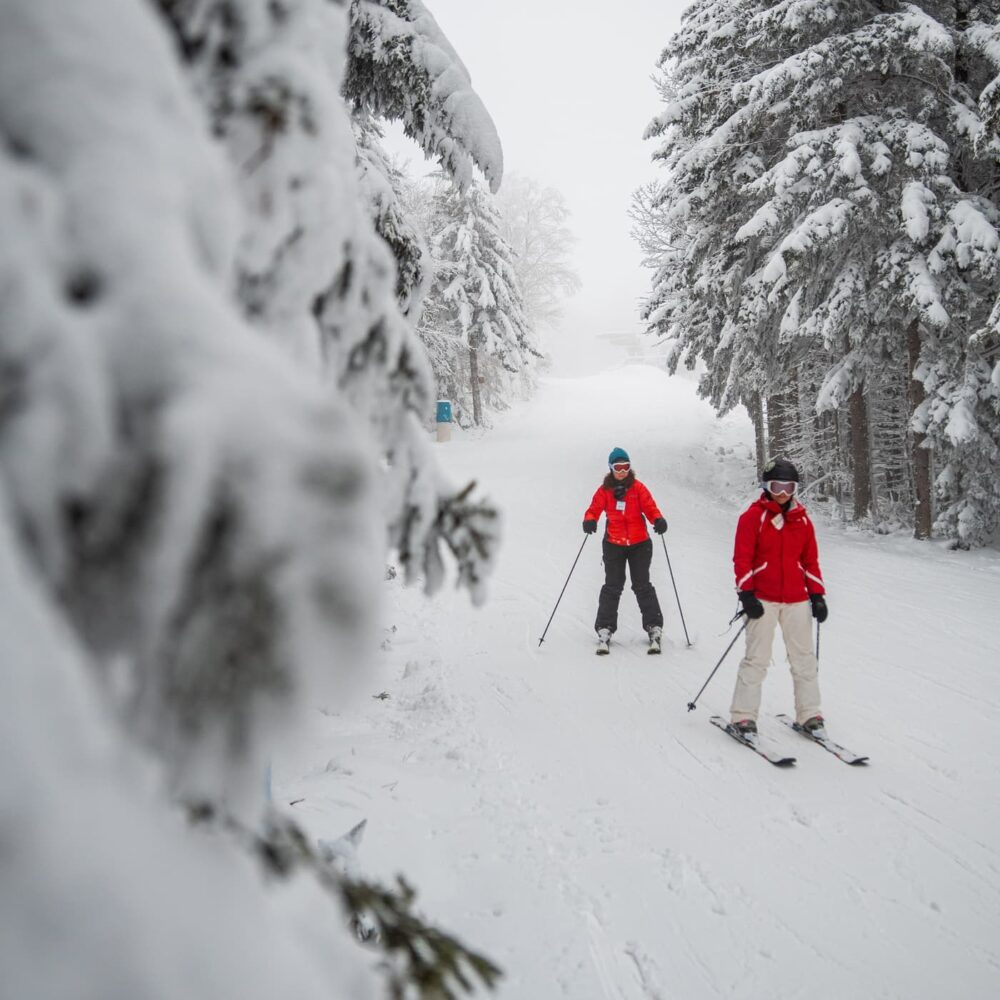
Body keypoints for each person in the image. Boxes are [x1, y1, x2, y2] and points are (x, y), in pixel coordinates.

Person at [729, 457, 828, 735]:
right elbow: (742, 558)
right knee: (757, 658)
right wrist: (746, 593)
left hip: (796, 599)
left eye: (789, 486)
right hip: (763, 599)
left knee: (804, 658)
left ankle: (810, 714)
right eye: (777, 486)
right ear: (766, 486)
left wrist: (817, 595)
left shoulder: (802, 521)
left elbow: (810, 561)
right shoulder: (752, 517)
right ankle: (743, 716)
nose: (783, 493)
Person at [582, 447, 668, 653]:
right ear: (611, 468)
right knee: (613, 585)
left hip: (639, 544)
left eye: (626, 467)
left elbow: (650, 507)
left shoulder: (638, 488)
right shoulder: (605, 490)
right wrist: (590, 520)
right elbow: (594, 508)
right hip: (613, 544)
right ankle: (605, 627)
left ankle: (654, 626)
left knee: (642, 585)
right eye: (618, 467)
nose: (622, 471)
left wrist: (658, 519)